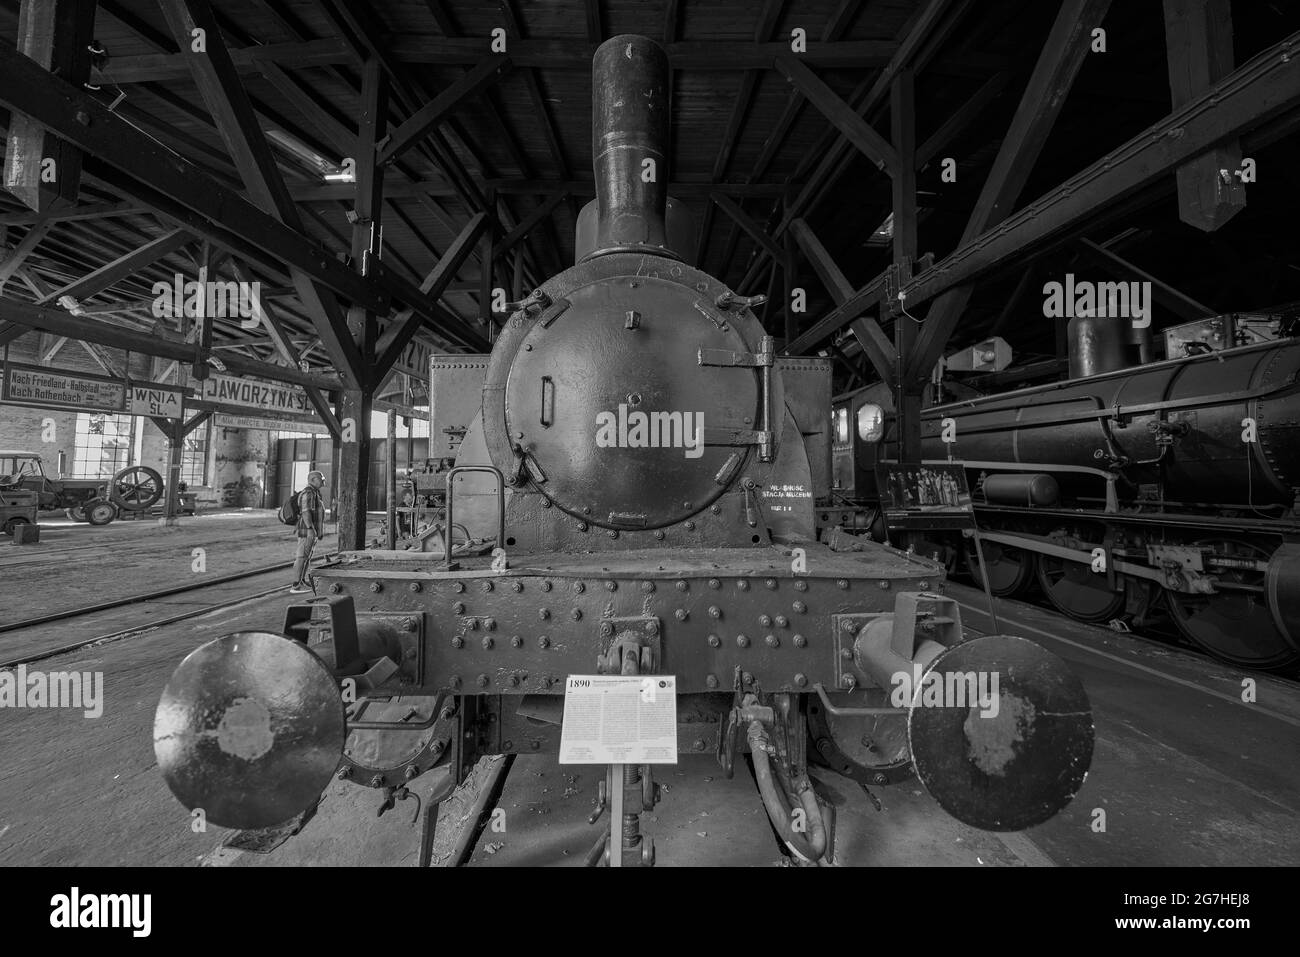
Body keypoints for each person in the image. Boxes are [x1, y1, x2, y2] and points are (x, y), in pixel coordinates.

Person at [289, 470, 326, 594]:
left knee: (306, 557)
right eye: (321, 478)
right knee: (301, 557)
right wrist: (311, 529)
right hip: (307, 530)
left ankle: (302, 581)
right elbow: (306, 512)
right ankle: (296, 585)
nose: (323, 480)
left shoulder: (315, 492)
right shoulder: (309, 493)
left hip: (311, 531)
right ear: (313, 480)